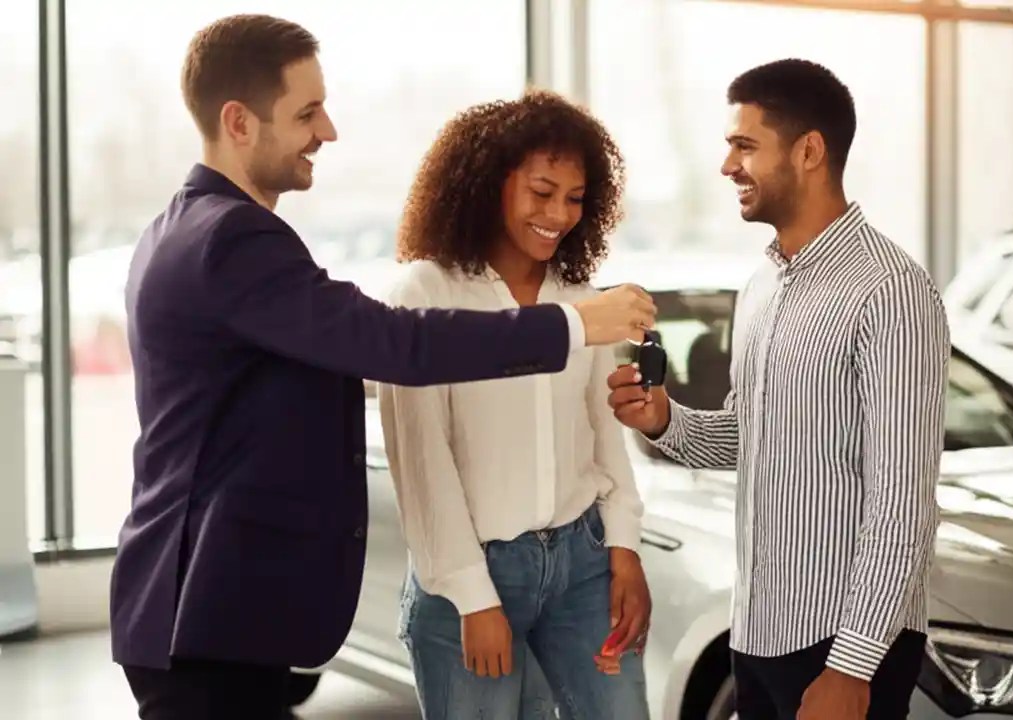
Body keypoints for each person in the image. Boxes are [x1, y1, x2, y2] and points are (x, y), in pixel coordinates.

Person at [110, 14, 655, 720]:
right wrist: (575, 326)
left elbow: (334, 361)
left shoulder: (182, 229)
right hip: (207, 612)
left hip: (203, 609)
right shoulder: (233, 240)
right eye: (307, 112)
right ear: (239, 122)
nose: (327, 131)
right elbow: (392, 344)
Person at [607, 59, 949, 720]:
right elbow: (753, 436)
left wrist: (852, 667)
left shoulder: (891, 291)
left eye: (744, 146)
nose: (726, 166)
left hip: (843, 648)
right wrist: (663, 420)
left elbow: (903, 502)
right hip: (757, 633)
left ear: (809, 151)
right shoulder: (760, 285)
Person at [378, 89, 651, 720]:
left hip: (582, 567)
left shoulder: (580, 297)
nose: (559, 214)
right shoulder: (425, 291)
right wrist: (474, 598)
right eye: (542, 191)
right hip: (473, 572)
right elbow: (424, 465)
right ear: (490, 184)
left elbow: (603, 437)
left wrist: (625, 550)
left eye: (575, 199)